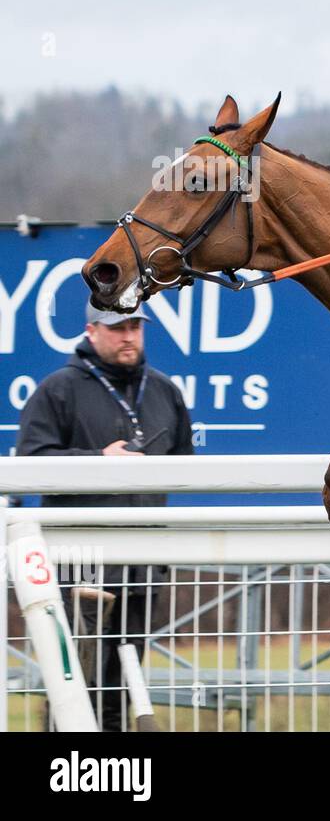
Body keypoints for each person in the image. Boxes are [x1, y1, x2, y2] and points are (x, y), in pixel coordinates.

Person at [16, 299, 194, 731]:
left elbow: (186, 465)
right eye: (117, 327)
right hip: (81, 564)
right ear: (91, 331)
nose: (128, 335)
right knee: (74, 682)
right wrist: (99, 459)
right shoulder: (58, 388)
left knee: (124, 682)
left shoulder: (165, 389)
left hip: (143, 564)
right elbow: (29, 464)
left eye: (135, 326)